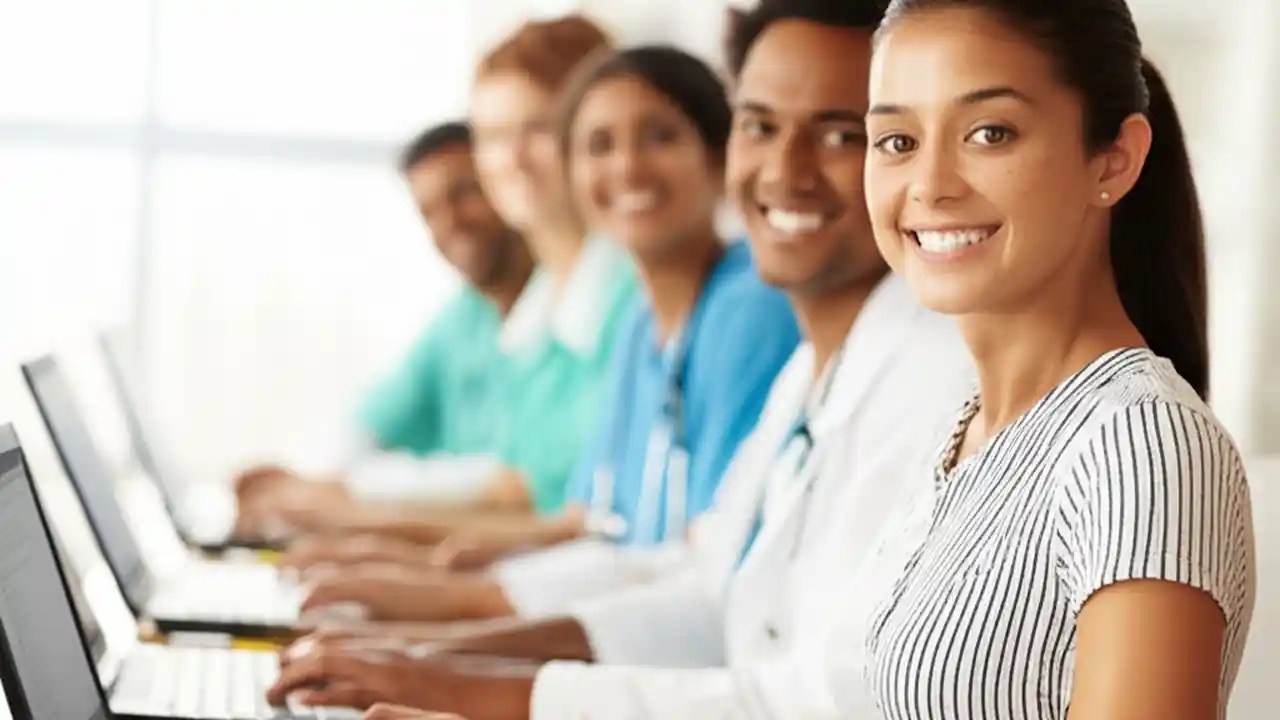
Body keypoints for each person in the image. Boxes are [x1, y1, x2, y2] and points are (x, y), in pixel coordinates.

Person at [265, 12, 975, 715]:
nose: (787, 169)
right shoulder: (808, 369)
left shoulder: (905, 369)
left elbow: (811, 691)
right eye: (761, 126)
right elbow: (698, 584)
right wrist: (437, 648)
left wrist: (457, 667)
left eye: (841, 134)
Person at [825, 1, 1255, 718]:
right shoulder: (965, 432)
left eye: (989, 133)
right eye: (896, 140)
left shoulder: (1139, 445)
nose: (930, 184)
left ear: (1114, 158)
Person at [289, 40, 804, 625]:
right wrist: (439, 563)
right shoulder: (643, 323)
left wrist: (461, 604)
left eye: (659, 137)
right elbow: (591, 519)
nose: (627, 168)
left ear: (720, 158)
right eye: (599, 145)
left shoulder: (748, 308)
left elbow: (699, 568)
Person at [238, 16, 639, 553]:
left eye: (539, 127)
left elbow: (541, 507)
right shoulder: (540, 314)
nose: (514, 158)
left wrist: (350, 519)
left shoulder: (631, 299)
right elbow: (515, 491)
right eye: (495, 136)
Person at [234, 121, 537, 538]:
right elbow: (366, 428)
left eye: (465, 193)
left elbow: (517, 484)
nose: (450, 223)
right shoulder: (461, 320)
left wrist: (340, 491)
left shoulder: (566, 314)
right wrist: (307, 487)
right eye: (429, 212)